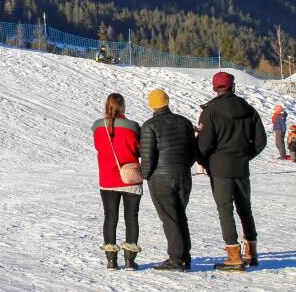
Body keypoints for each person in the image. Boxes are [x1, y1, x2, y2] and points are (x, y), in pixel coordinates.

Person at [198, 71, 267, 271]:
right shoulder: (249, 109)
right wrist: (245, 156)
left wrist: (207, 162)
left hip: (219, 167)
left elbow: (204, 145)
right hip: (241, 166)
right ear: (232, 86)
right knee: (245, 209)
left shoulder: (210, 111)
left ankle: (234, 255)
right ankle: (251, 253)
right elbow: (261, 141)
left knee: (225, 211)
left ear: (215, 88)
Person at [140, 89, 196, 272]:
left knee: (170, 218)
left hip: (160, 178)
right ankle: (184, 256)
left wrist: (144, 174)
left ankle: (176, 258)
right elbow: (193, 151)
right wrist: (184, 166)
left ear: (152, 105)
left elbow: (148, 157)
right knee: (181, 215)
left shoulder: (149, 126)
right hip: (183, 175)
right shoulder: (184, 122)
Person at [92, 92, 142, 270]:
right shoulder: (132, 126)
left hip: (107, 178)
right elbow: (139, 150)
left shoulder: (98, 127)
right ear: (123, 106)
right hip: (130, 179)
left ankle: (111, 260)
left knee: (110, 217)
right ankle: (129, 259)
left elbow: (99, 147)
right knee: (131, 218)